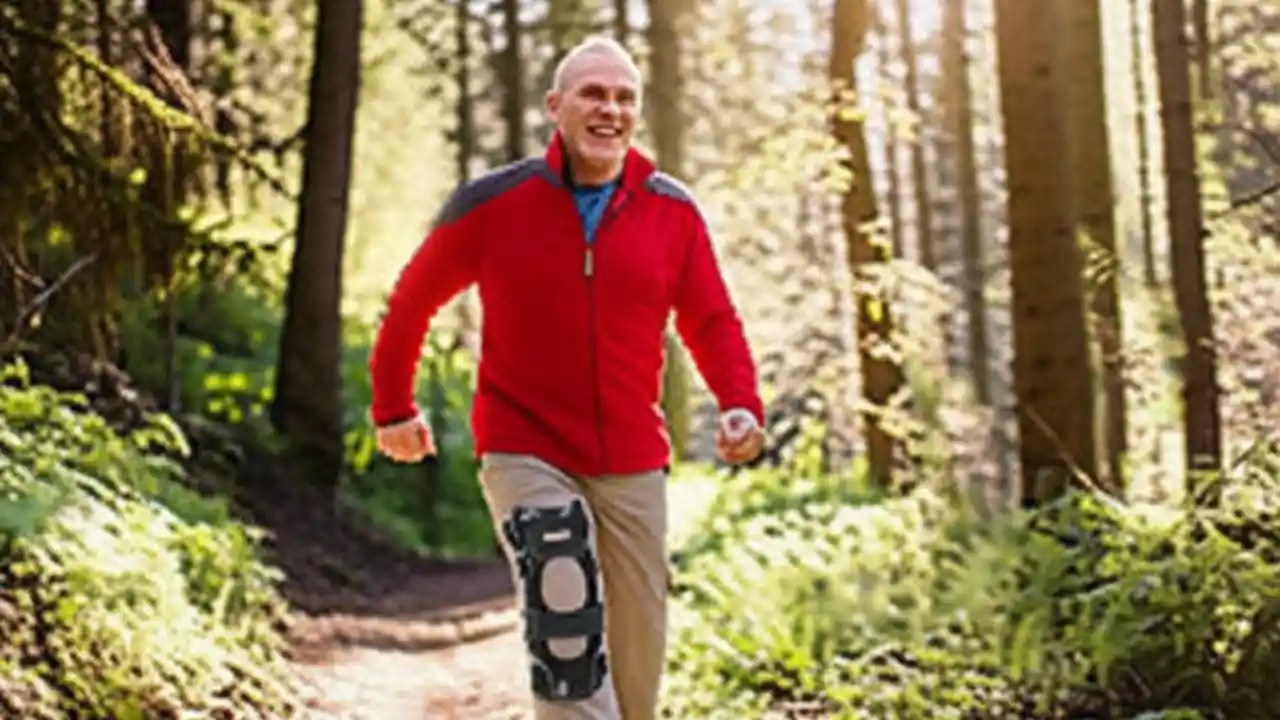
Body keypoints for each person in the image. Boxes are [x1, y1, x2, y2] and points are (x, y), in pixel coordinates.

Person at [367, 35, 765, 720]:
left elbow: (711, 318)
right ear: (556, 107)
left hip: (633, 459)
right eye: (592, 94)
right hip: (526, 446)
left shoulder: (672, 210)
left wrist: (739, 403)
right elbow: (411, 299)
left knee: (636, 669)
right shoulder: (493, 203)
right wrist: (393, 408)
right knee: (564, 613)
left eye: (623, 97)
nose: (609, 109)